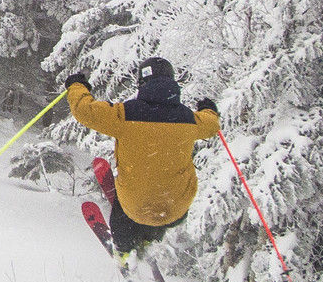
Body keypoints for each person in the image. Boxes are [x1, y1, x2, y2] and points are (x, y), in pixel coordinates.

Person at [62, 58, 220, 260]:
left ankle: (125, 250)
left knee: (127, 211)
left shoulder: (124, 115)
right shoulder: (190, 119)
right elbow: (212, 124)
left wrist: (77, 86)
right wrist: (208, 109)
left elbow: (85, 110)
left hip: (135, 207)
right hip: (176, 209)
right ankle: (149, 237)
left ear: (141, 83)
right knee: (162, 201)